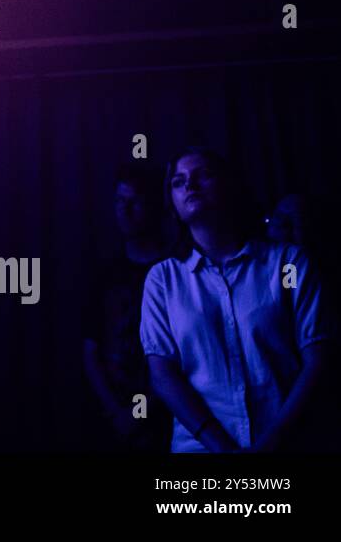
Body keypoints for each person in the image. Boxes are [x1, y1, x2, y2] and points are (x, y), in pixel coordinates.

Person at [140, 146, 335, 452]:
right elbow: (163, 374)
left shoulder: (287, 263)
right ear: (172, 203)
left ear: (229, 185)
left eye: (202, 175)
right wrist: (220, 447)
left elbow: (318, 358)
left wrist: (273, 441)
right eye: (178, 181)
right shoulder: (163, 280)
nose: (189, 185)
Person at [82, 163, 171, 451]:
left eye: (135, 201)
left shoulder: (175, 271)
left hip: (168, 415)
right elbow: (91, 348)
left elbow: (183, 350)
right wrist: (116, 412)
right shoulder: (104, 273)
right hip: (114, 416)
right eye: (120, 201)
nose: (126, 209)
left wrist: (142, 414)